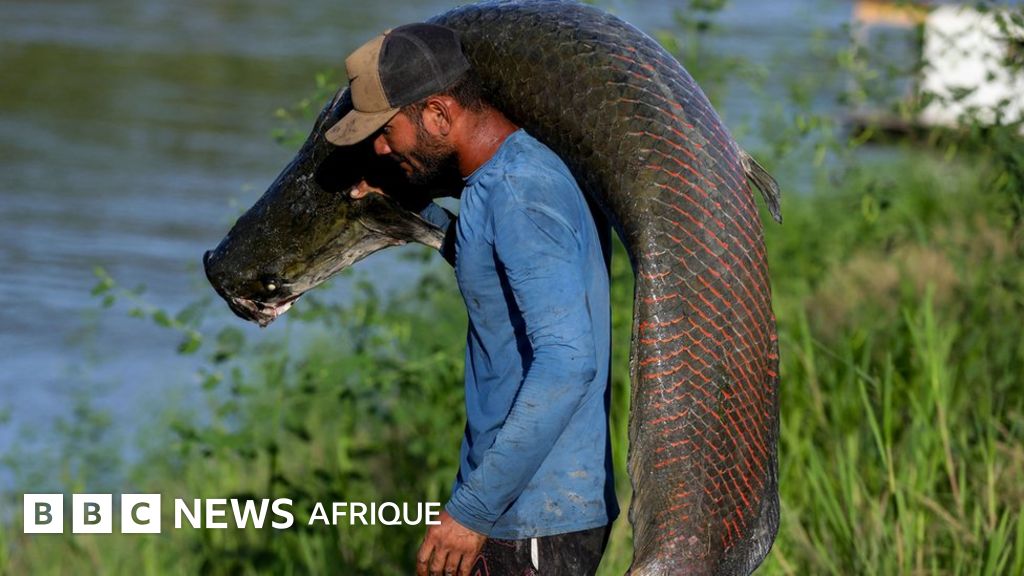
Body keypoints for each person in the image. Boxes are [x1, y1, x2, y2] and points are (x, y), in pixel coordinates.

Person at [325, 23, 618, 576]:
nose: (381, 147)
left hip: (536, 513)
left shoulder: (520, 192)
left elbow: (567, 361)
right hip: (518, 505)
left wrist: (472, 511)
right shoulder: (497, 179)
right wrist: (413, 207)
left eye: (386, 130)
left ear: (438, 114)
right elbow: (492, 267)